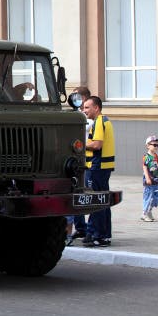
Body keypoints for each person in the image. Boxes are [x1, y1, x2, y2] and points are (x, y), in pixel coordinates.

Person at [81, 96, 115, 247]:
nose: (84, 110)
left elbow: (97, 145)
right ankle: (104, 235)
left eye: (87, 107)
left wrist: (81, 144)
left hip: (96, 167)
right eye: (84, 107)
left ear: (96, 108)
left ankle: (95, 234)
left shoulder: (99, 122)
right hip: (103, 167)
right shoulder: (105, 120)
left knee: (95, 201)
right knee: (103, 200)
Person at [70, 87, 92, 240]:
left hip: (86, 162)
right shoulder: (77, 115)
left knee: (81, 193)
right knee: (75, 193)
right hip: (74, 161)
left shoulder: (88, 120)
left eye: (77, 95)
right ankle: (80, 227)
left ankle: (85, 228)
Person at [141, 135, 158, 222]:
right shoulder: (146, 157)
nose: (156, 147)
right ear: (148, 145)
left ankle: (149, 210)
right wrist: (147, 178)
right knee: (148, 197)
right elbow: (145, 168)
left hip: (156, 180)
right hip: (149, 181)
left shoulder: (156, 156)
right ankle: (144, 213)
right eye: (154, 145)